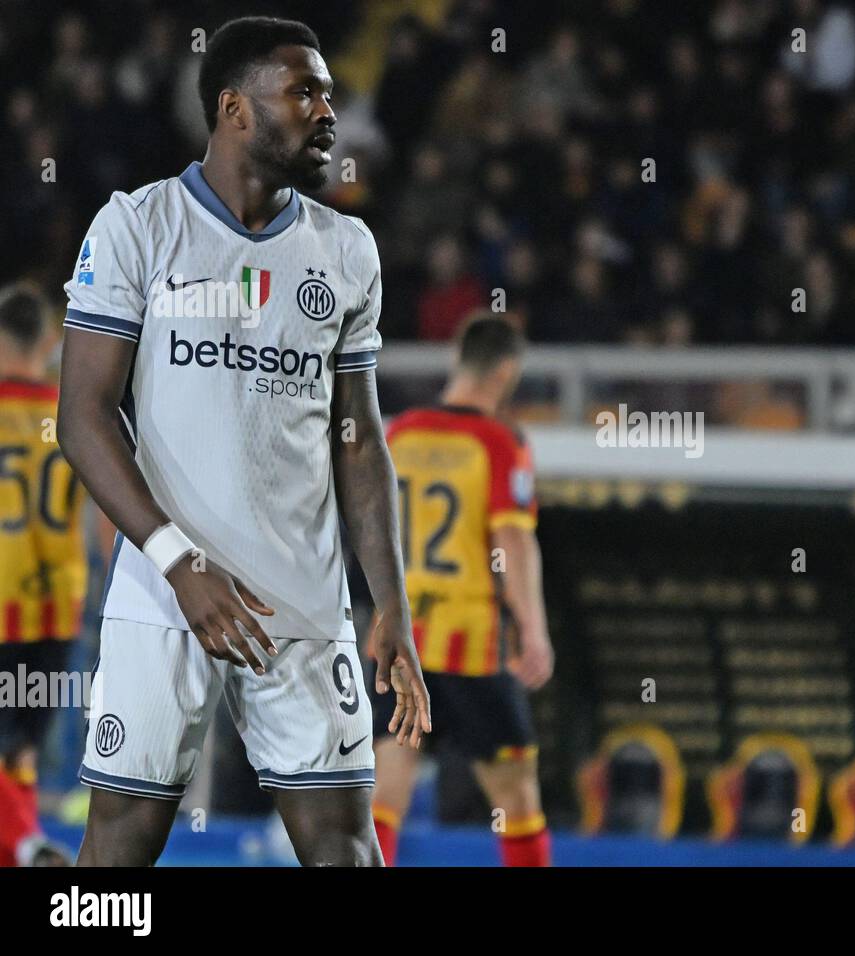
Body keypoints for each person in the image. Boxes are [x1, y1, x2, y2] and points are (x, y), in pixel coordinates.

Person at [56, 16, 430, 866]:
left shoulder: (346, 250)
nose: (328, 111)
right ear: (234, 109)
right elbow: (82, 415)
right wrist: (179, 563)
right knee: (121, 844)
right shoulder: (137, 226)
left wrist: (392, 607)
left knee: (345, 849)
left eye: (329, 92)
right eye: (304, 91)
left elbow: (360, 441)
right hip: (163, 596)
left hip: (302, 599)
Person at [370, 314, 554, 866]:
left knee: (384, 787)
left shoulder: (399, 433)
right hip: (472, 644)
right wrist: (534, 630)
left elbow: (372, 535)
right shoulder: (499, 442)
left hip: (403, 639)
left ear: (457, 361)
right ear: (506, 372)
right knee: (516, 792)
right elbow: (513, 546)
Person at [0, 284, 87, 866]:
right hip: (59, 601)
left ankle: (27, 844)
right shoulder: (73, 415)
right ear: (48, 343)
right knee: (23, 744)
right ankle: (20, 847)